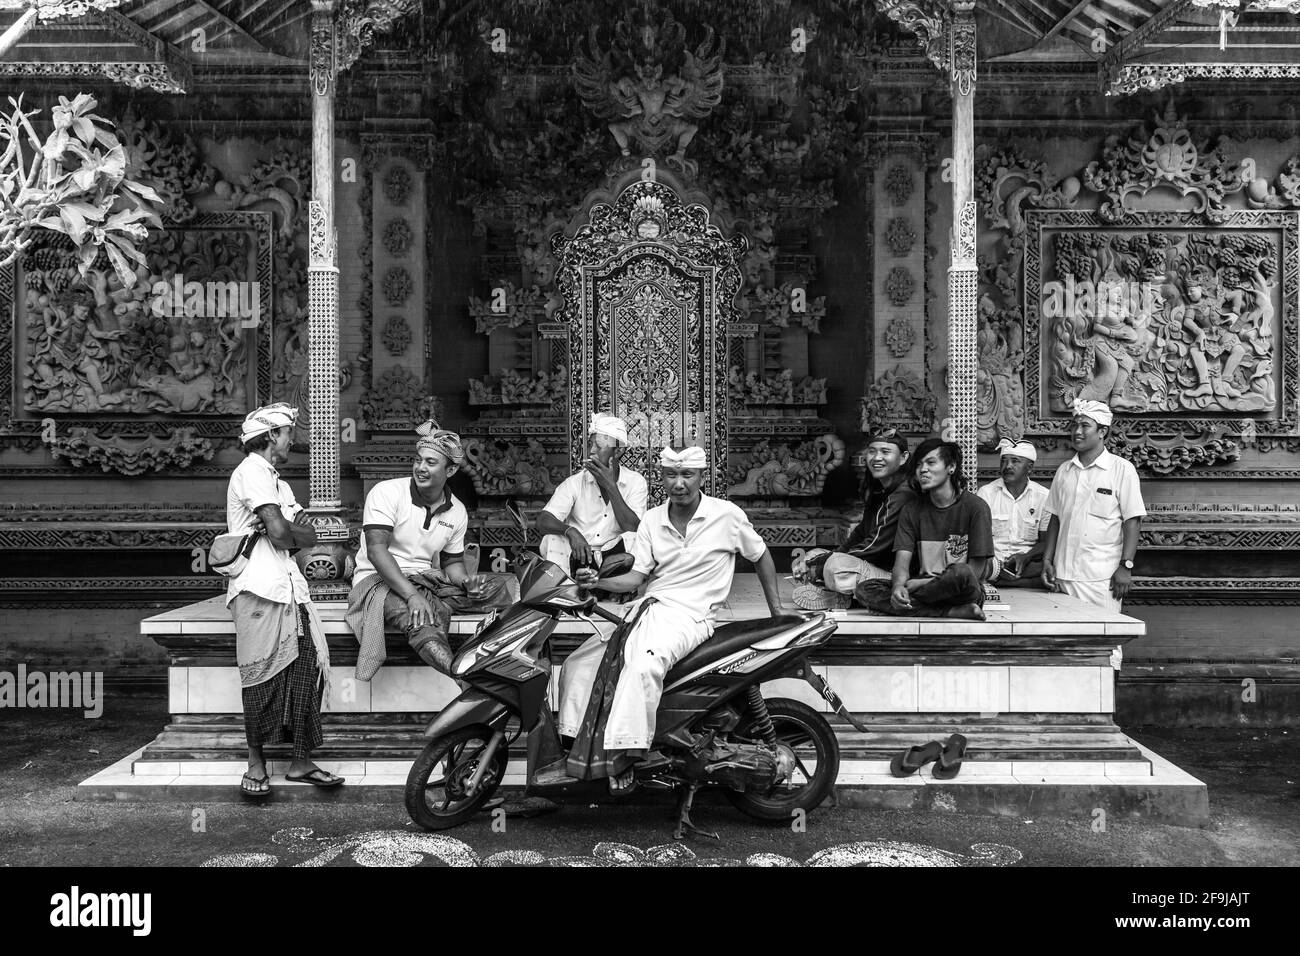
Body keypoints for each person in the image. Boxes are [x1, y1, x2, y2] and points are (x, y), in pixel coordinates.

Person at [556, 445, 785, 792]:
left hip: (692, 616)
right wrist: (594, 583)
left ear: (702, 477)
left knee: (642, 666)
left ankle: (626, 755)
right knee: (578, 663)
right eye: (671, 475)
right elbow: (636, 577)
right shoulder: (651, 519)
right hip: (651, 608)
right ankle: (575, 745)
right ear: (662, 477)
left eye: (687, 475)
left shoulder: (726, 515)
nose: (679, 483)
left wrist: (777, 611)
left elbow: (762, 555)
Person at [226, 402, 340, 797]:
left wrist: (282, 526)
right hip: (258, 589)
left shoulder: (279, 483)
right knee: (260, 675)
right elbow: (281, 534)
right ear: (272, 435)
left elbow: (306, 538)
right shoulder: (251, 472)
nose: (294, 438)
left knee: (306, 671)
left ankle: (299, 761)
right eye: (289, 432)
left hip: (291, 589)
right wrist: (283, 527)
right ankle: (255, 761)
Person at [346, 420, 515, 680]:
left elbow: (452, 564)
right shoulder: (387, 492)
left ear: (451, 470)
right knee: (422, 619)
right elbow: (377, 552)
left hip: (429, 581)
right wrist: (413, 595)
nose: (420, 468)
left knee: (499, 590)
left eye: (430, 463)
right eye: (418, 460)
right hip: (379, 581)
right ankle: (464, 679)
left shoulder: (456, 510)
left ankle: (499, 660)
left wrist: (467, 582)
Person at [855, 438, 993, 621]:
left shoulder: (976, 507)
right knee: (865, 589)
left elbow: (975, 572)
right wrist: (897, 587)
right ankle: (951, 612)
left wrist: (919, 583)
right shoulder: (911, 510)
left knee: (961, 572)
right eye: (919, 464)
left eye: (931, 462)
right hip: (925, 590)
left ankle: (908, 607)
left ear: (951, 467)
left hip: (960, 590)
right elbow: (901, 565)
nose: (923, 470)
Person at [1042, 400, 1146, 614]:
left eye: (1085, 426)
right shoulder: (1064, 471)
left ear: (1102, 431)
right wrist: (1047, 559)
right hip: (1062, 576)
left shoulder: (1121, 470)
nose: (1077, 432)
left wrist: (1125, 567)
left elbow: (1132, 521)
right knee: (1066, 643)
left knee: (1106, 642)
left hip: (1101, 579)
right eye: (1074, 426)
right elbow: (1055, 518)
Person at [535, 412, 647, 578]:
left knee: (633, 538)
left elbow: (633, 528)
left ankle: (615, 589)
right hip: (579, 556)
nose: (592, 451)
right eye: (590, 445)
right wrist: (571, 531)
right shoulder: (575, 482)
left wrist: (611, 486)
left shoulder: (635, 482)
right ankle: (565, 591)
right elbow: (543, 520)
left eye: (599, 447)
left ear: (617, 452)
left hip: (614, 560)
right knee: (552, 538)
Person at [977, 438, 1050, 587]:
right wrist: (996, 563)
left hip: (1028, 563)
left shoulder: (1044, 496)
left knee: (1052, 565)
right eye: (1003, 461)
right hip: (994, 562)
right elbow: (980, 540)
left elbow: (1046, 542)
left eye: (1015, 461)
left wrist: (1025, 557)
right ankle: (1023, 583)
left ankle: (1004, 582)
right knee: (978, 566)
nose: (1007, 466)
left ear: (1029, 468)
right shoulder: (987, 493)